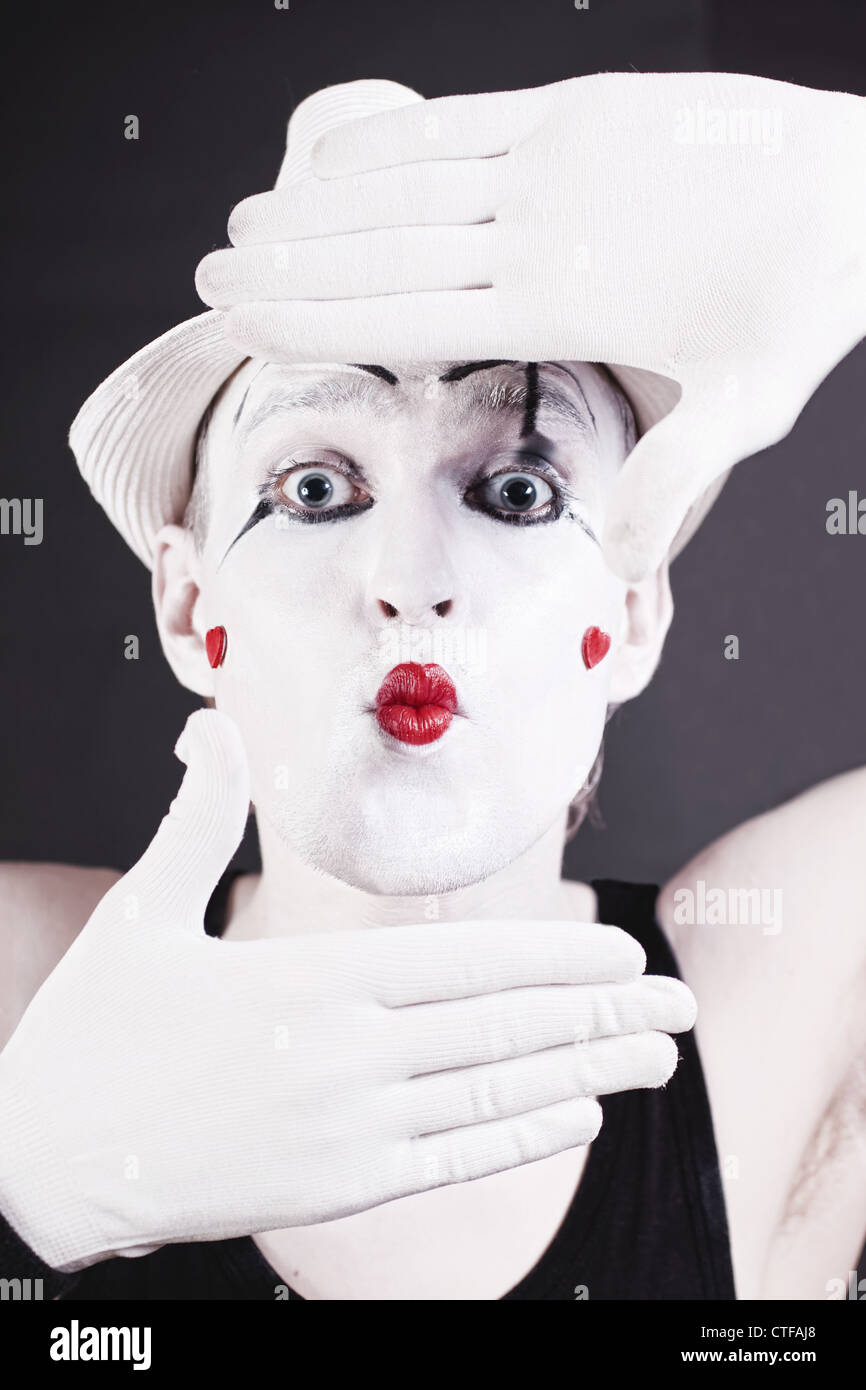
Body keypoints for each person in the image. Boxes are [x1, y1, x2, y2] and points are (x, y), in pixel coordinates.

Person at [1, 75, 864, 1302]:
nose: (409, 580)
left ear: (626, 612)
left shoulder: (782, 990)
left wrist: (849, 191)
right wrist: (21, 1203)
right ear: (192, 612)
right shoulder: (14, 986)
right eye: (313, 490)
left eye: (514, 490)